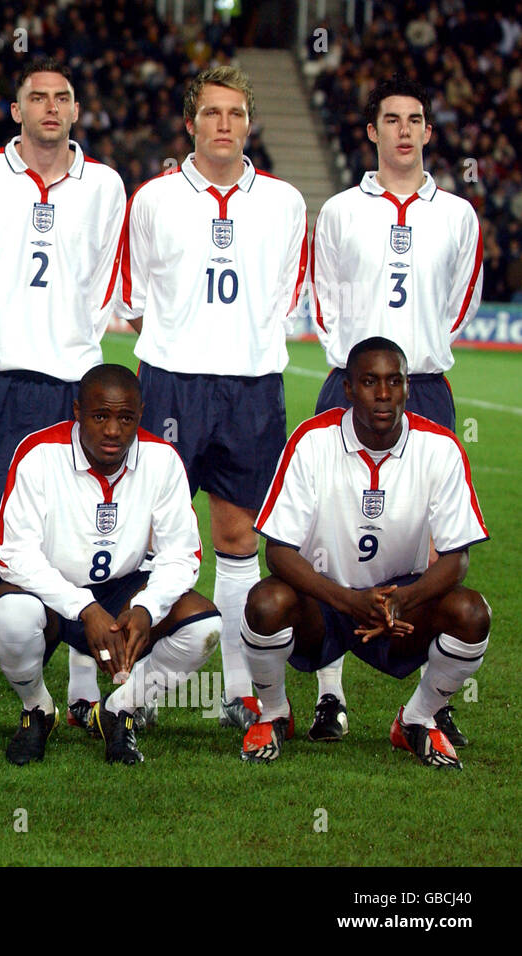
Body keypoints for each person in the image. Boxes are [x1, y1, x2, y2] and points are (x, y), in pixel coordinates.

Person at [109, 65, 308, 732]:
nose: (225, 124)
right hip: (169, 381)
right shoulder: (155, 198)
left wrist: (235, 343)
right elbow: (131, 300)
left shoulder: (282, 202)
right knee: (153, 535)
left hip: (252, 386)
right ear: (190, 121)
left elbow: (288, 295)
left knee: (236, 535)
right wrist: (180, 344)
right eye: (212, 112)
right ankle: (135, 680)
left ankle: (237, 689)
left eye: (237, 113)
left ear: (250, 122)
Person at [0, 55, 126, 728]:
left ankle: (81, 687)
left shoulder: (104, 185)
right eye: (37, 97)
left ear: (76, 111)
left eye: (63, 97)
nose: (51, 107)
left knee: (72, 532)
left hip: (72, 384)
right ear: (15, 110)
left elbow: (107, 276)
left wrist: (76, 345)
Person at [307, 76, 484, 743]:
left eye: (416, 119)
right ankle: (330, 694)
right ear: (372, 131)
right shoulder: (342, 210)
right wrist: (354, 367)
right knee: (331, 537)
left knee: (434, 543)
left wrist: (419, 358)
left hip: (427, 388)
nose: (404, 129)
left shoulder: (458, 215)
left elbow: (463, 300)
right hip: (350, 385)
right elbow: (321, 293)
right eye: (392, 119)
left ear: (429, 133)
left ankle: (427, 703)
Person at [242, 338, 490, 769]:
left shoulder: (441, 448)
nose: (383, 394)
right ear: (348, 389)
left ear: (408, 388)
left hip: (399, 605)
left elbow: (457, 559)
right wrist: (349, 601)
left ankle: (416, 719)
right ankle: (274, 713)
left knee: (472, 613)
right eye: (370, 381)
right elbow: (278, 552)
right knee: (265, 602)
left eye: (394, 381)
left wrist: (401, 600)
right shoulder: (311, 441)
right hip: (326, 601)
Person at [0, 364, 220, 765]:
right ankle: (37, 710)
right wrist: (83, 607)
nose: (113, 430)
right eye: (100, 416)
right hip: (49, 589)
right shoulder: (40, 453)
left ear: (140, 416)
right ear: (77, 411)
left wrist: (147, 607)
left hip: (121, 589)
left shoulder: (162, 460)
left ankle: (119, 710)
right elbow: (13, 554)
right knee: (12, 614)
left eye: (125, 418)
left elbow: (181, 554)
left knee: (204, 626)